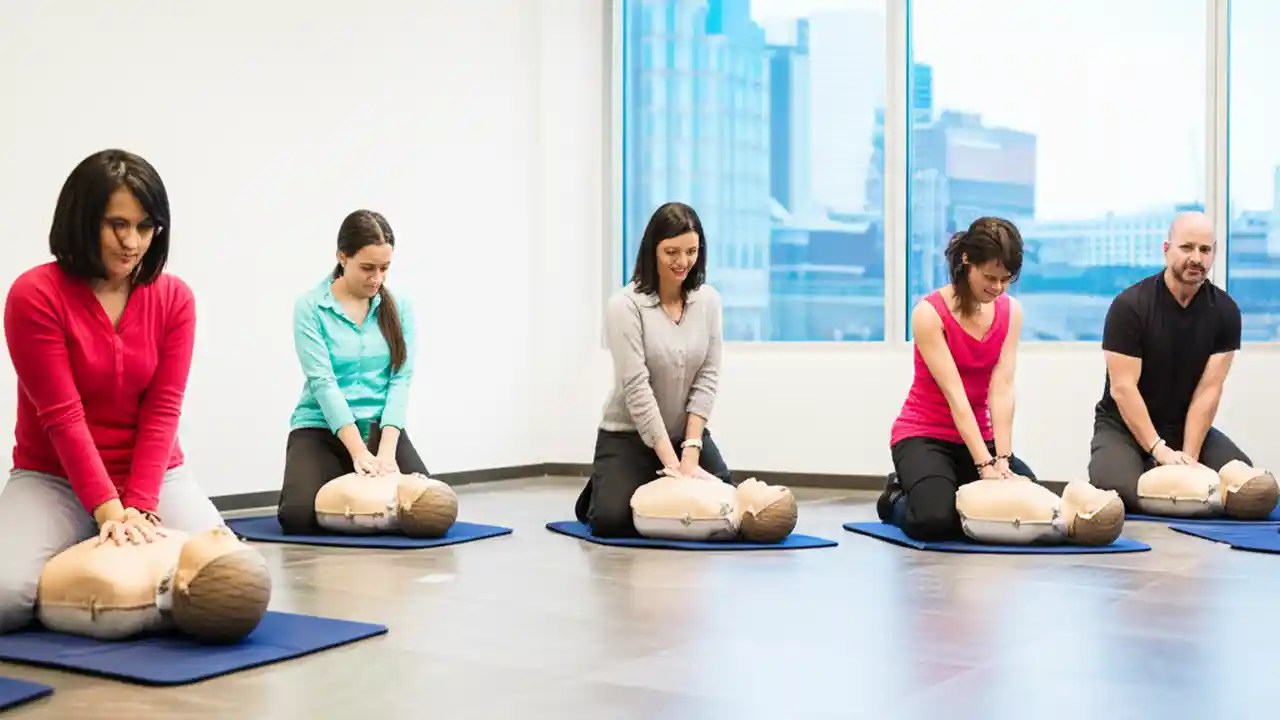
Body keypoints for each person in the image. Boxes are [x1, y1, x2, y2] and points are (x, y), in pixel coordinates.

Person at [0, 149, 226, 634]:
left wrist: (138, 508)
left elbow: (164, 409)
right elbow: (61, 415)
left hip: (154, 477)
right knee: (4, 598)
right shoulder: (34, 295)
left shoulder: (175, 298)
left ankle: (102, 576)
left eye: (145, 227)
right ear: (83, 221)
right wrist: (108, 511)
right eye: (116, 224)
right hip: (52, 478)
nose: (132, 242)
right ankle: (86, 571)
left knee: (227, 584)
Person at [574, 201, 731, 538]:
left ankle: (642, 482)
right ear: (652, 250)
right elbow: (636, 387)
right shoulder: (625, 306)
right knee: (611, 522)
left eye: (691, 251)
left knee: (724, 504)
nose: (682, 262)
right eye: (671, 251)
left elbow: (708, 375)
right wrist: (673, 468)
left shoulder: (708, 301)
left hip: (684, 437)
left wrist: (690, 452)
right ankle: (601, 486)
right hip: (628, 436)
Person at [877, 217, 1036, 541]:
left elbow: (1002, 387)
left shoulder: (1011, 312)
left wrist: (1002, 460)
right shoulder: (929, 314)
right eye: (989, 277)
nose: (997, 288)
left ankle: (953, 483)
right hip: (925, 434)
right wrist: (983, 467)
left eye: (1006, 280)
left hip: (978, 437)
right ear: (967, 262)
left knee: (1029, 502)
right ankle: (895, 497)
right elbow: (956, 397)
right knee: (936, 521)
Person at [276, 209, 428, 534]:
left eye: (384, 268)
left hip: (379, 429)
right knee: (297, 518)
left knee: (427, 511)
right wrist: (358, 451)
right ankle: (340, 478)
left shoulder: (399, 306)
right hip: (321, 430)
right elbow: (323, 383)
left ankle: (354, 489)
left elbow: (400, 380)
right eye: (367, 268)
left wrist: (385, 453)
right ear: (341, 257)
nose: (377, 278)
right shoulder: (310, 306)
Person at [1088, 211, 1252, 510]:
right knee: (1122, 493)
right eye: (1186, 247)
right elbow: (1123, 389)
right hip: (1122, 427)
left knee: (1246, 488)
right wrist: (1159, 451)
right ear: (1166, 250)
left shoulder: (1226, 312)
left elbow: (1208, 391)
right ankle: (1149, 471)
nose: (1196, 258)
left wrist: (1186, 460)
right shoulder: (1130, 306)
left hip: (1183, 428)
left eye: (1205, 250)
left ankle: (1166, 478)